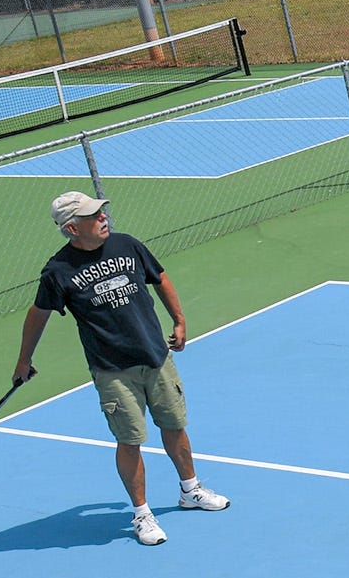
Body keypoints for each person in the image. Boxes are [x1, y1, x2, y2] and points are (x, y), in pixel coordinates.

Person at [13, 191, 230, 547]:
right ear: (71, 228)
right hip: (112, 370)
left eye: (101, 211)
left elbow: (159, 278)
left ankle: (191, 490)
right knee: (130, 440)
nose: (102, 217)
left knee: (174, 425)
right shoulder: (58, 271)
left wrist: (179, 319)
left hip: (157, 357)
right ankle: (142, 513)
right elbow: (39, 313)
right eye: (92, 215)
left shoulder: (127, 245)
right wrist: (24, 359)